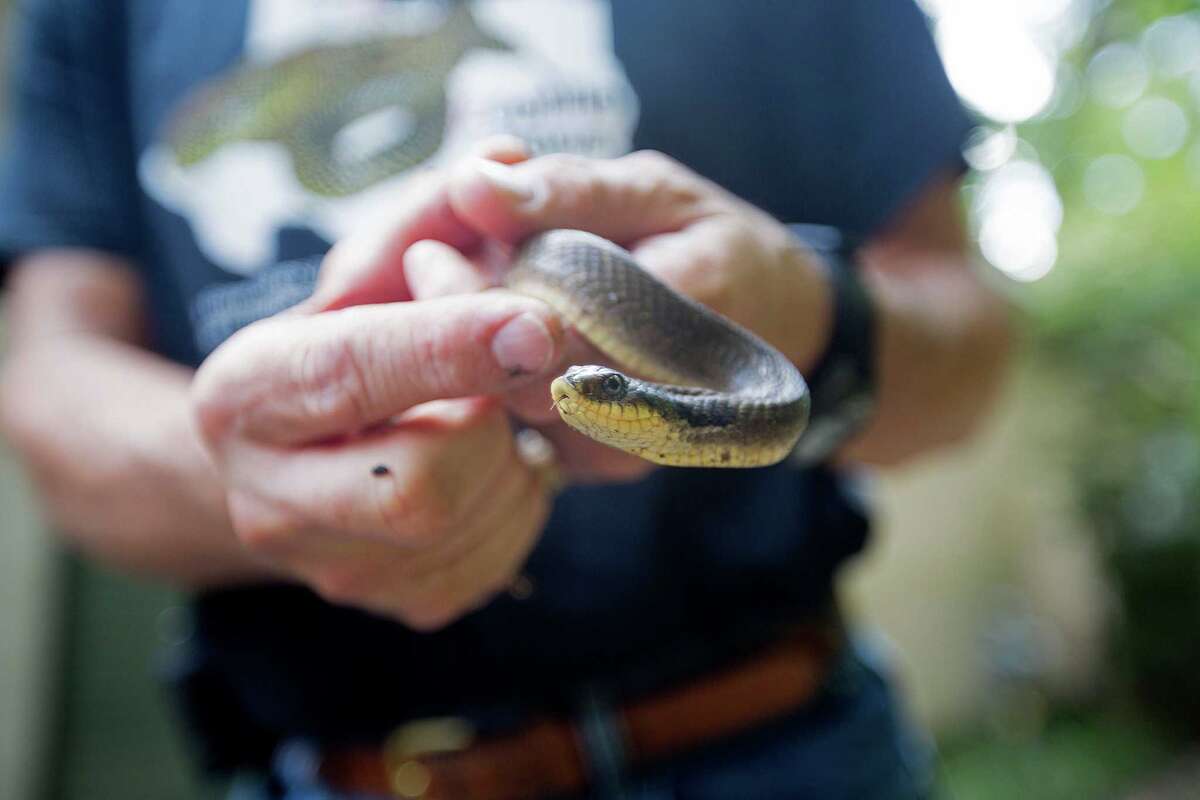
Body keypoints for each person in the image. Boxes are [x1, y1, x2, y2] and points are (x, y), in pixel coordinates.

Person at [0, 1, 1010, 798]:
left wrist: (811, 309)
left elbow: (973, 338)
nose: (576, 392)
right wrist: (260, 473)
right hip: (336, 767)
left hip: (792, 745)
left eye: (601, 389)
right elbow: (50, 371)